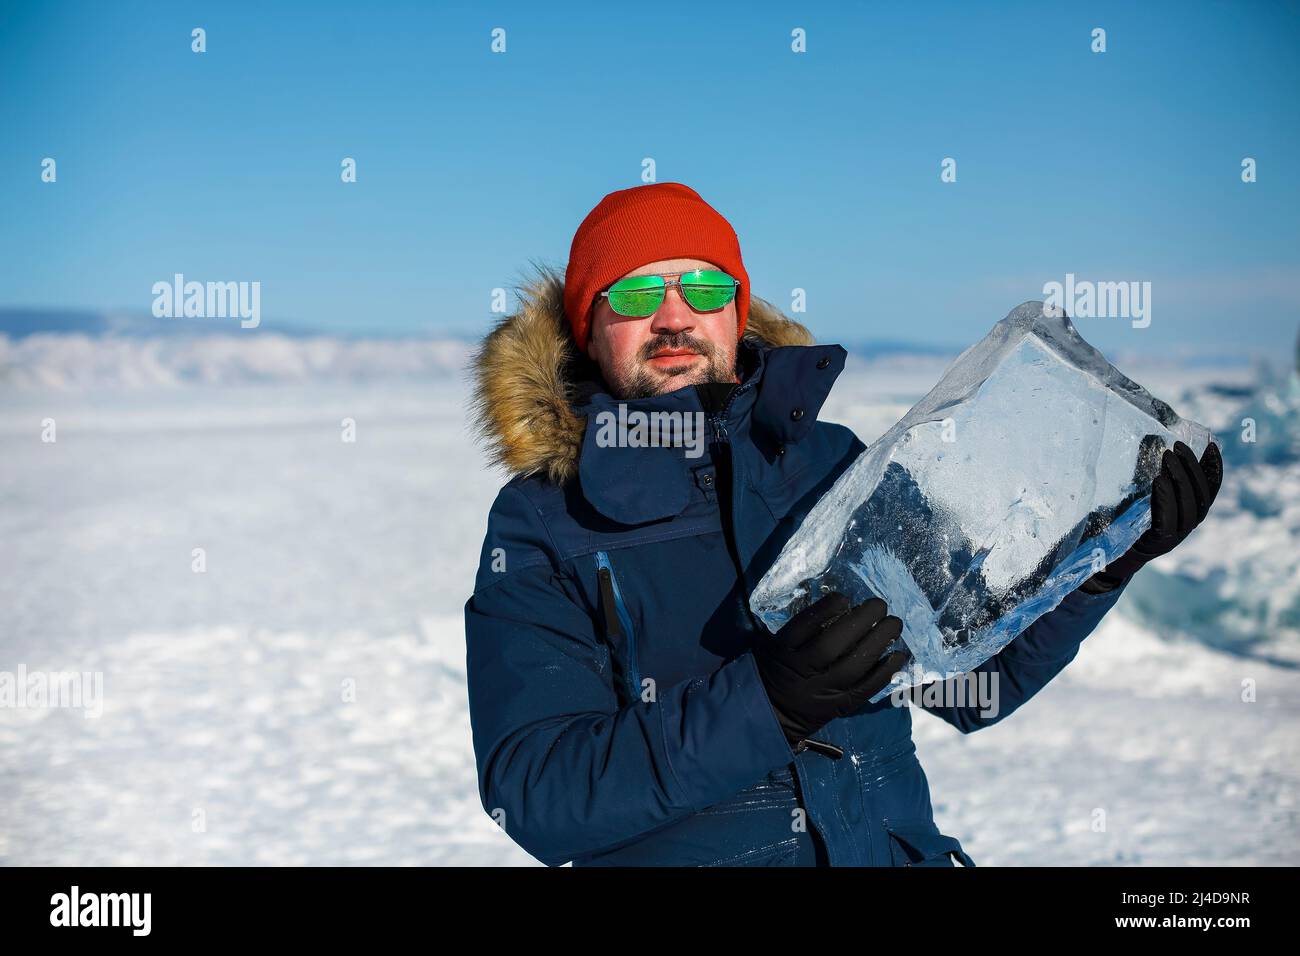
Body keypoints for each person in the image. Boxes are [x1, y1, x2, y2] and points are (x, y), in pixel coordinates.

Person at [463, 182, 1222, 866]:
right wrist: (765, 704)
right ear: (589, 329)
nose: (673, 317)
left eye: (701, 286)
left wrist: (1106, 559)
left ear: (735, 309)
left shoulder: (831, 462)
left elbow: (971, 684)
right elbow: (536, 795)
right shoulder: (544, 519)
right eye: (633, 296)